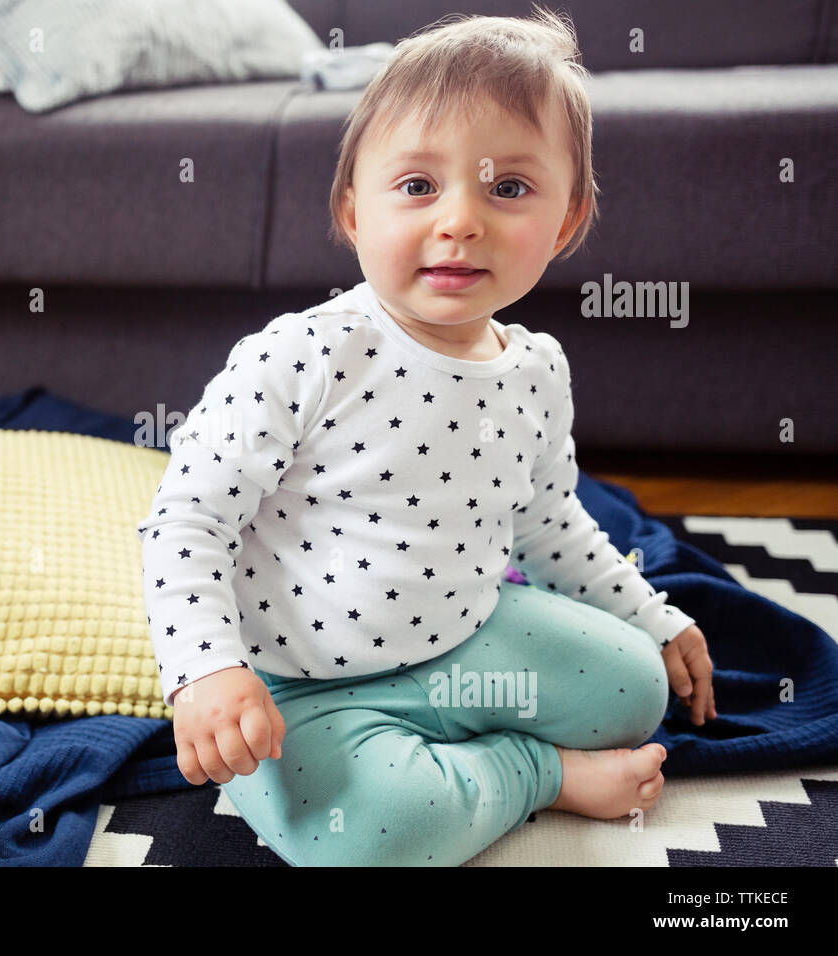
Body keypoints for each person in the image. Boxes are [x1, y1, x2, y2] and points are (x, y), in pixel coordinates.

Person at [134, 4, 716, 866]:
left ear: (565, 222)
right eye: (417, 186)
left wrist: (653, 617)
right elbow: (184, 525)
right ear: (352, 211)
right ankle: (535, 772)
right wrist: (207, 673)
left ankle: (456, 741)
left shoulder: (535, 368)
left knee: (634, 688)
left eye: (508, 188)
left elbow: (549, 523)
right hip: (296, 685)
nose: (460, 221)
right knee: (369, 839)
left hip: (466, 641)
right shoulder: (304, 354)